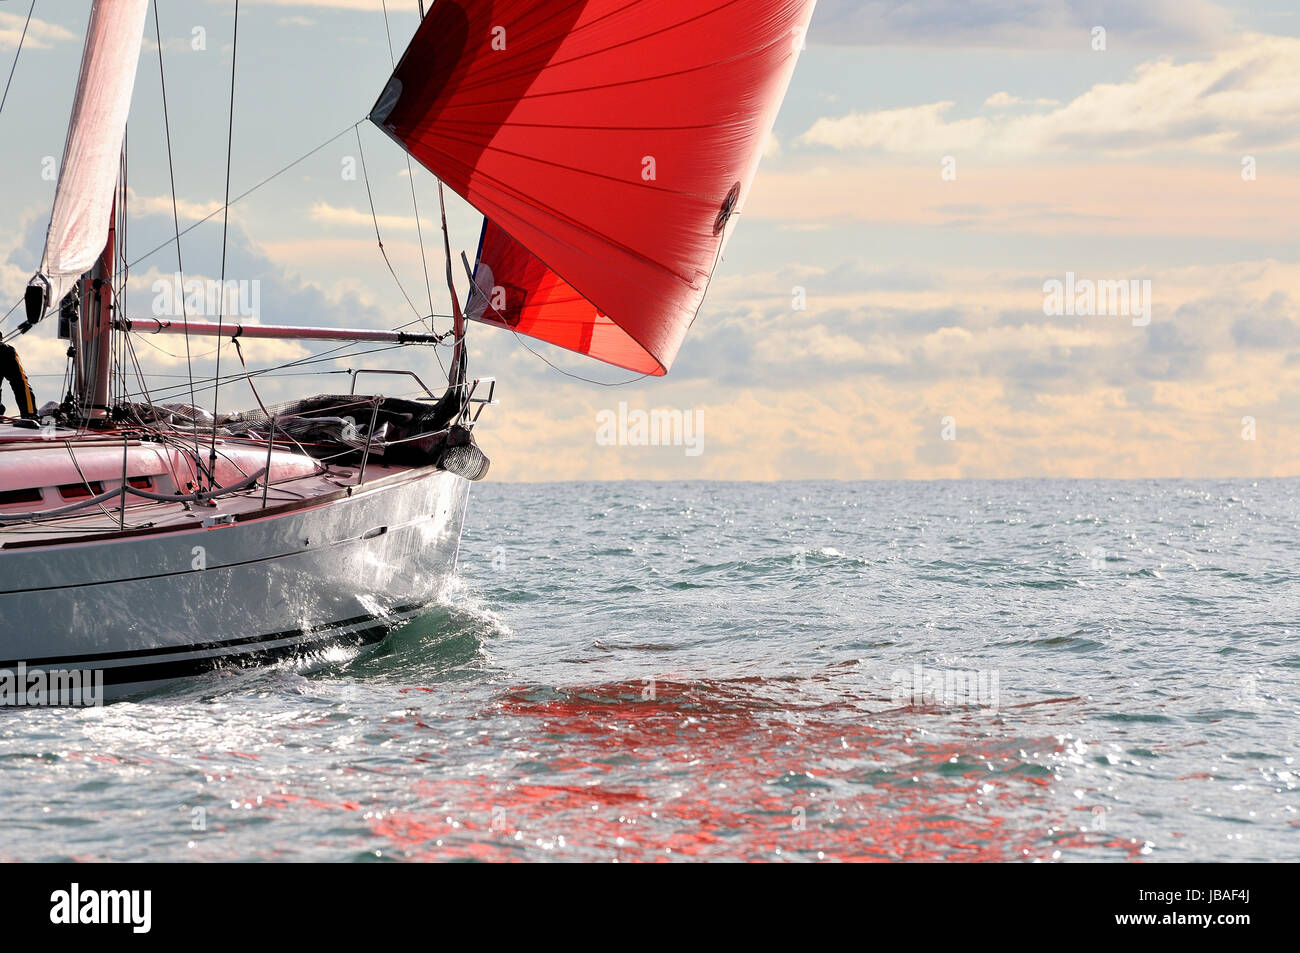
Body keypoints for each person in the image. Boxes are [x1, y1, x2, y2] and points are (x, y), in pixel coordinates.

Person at [0, 341, 37, 419]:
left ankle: (29, 414)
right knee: (20, 382)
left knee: (19, 382)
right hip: (4, 350)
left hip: (3, 350)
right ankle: (29, 414)